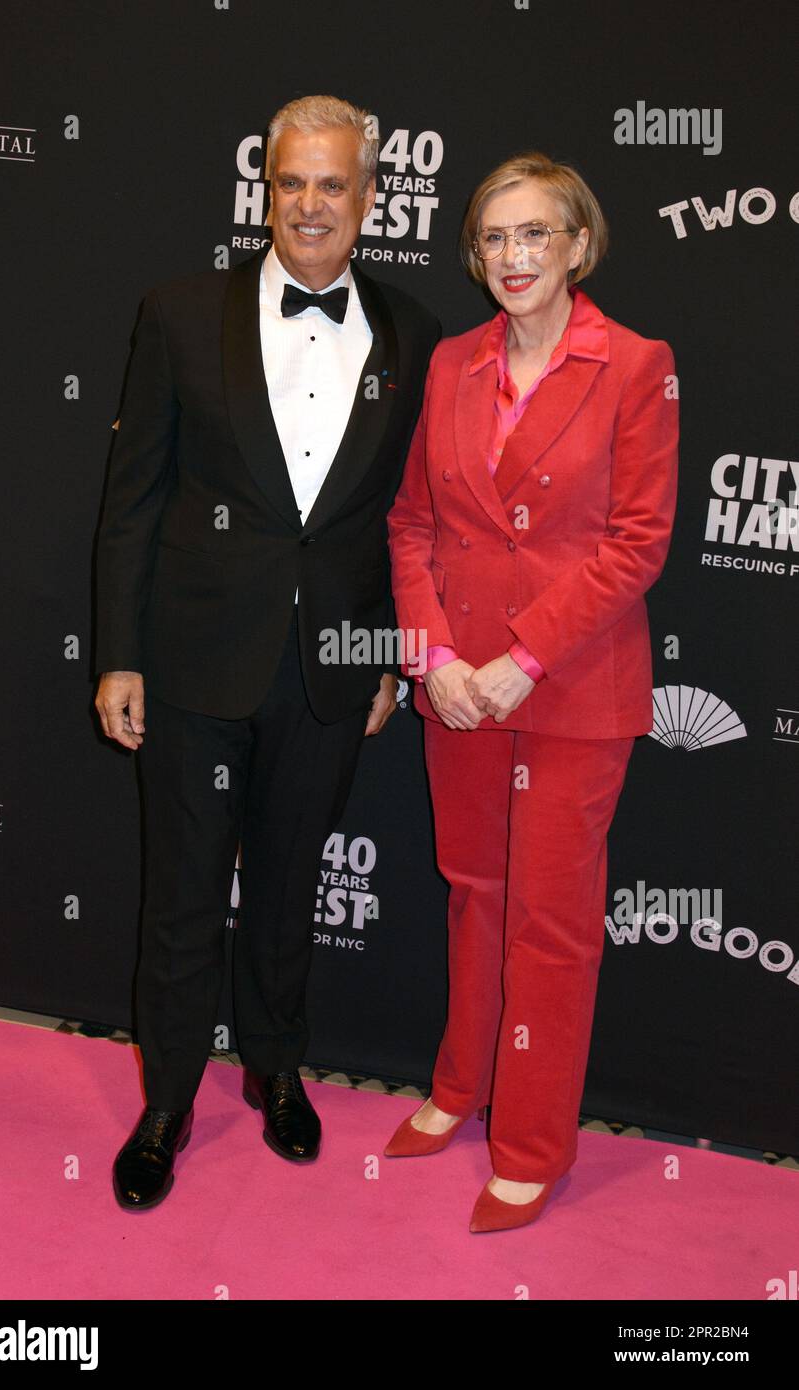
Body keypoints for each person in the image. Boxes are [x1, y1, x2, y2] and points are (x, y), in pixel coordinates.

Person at [93, 94, 440, 1210]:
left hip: (329, 667)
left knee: (291, 888)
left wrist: (386, 653)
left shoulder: (412, 333)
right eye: (290, 182)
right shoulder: (179, 312)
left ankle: (277, 1068)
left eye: (332, 184)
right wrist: (118, 653)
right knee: (183, 895)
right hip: (191, 662)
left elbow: (401, 517)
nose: (308, 204)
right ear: (266, 188)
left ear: (370, 199)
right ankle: (167, 1101)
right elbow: (133, 498)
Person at [384, 152, 678, 1232]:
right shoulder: (454, 362)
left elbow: (637, 542)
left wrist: (522, 655)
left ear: (578, 245)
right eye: (495, 239)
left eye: (535, 234)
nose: (514, 256)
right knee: (474, 890)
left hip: (572, 689)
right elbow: (411, 524)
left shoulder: (637, 364)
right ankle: (462, 1084)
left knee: (550, 923)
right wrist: (434, 656)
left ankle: (533, 1142)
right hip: (459, 686)